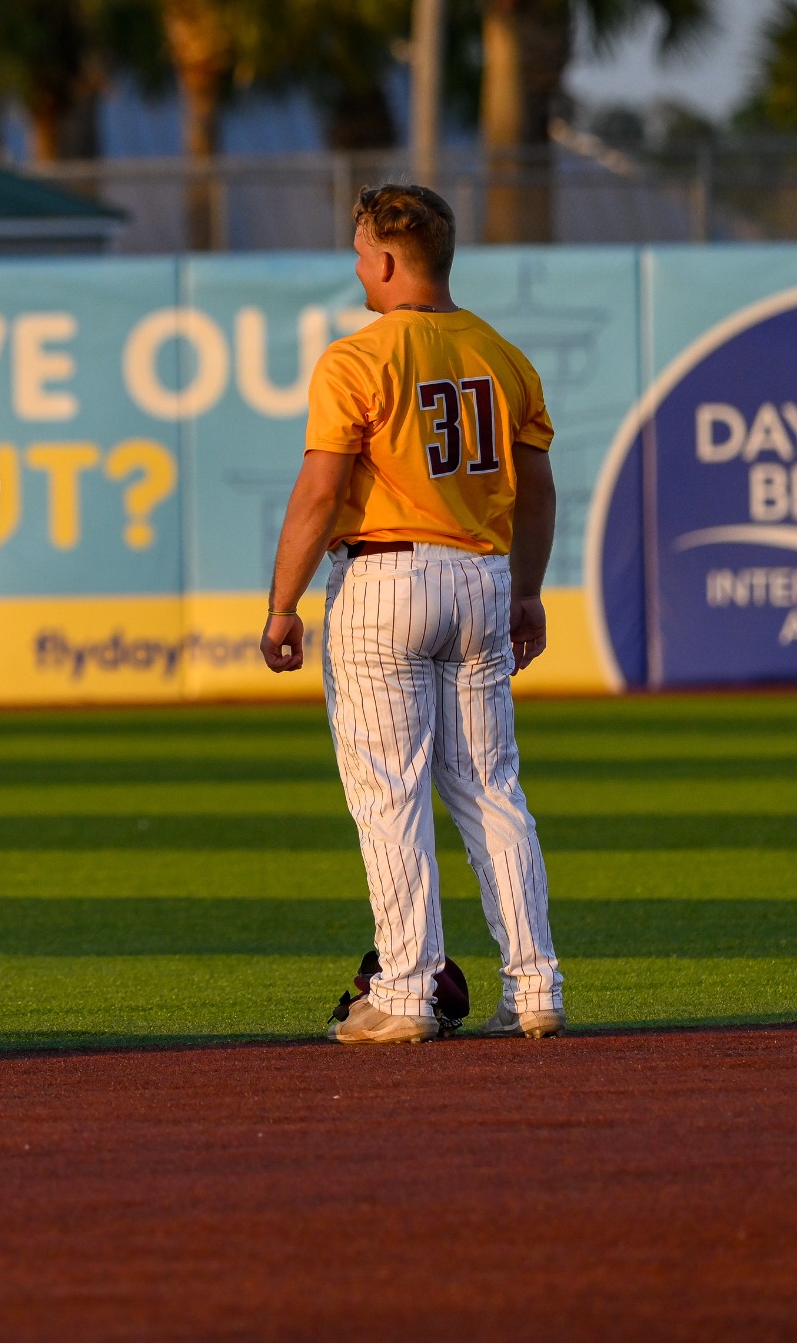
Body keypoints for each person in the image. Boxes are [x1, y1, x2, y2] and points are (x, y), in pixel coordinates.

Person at [260, 184, 564, 1044]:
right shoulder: (503, 356)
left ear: (389, 261)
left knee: (389, 797)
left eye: (361, 252)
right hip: (480, 576)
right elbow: (536, 492)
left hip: (386, 580)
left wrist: (283, 604)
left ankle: (406, 991)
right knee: (492, 792)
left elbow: (321, 491)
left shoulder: (358, 358)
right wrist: (529, 589)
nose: (357, 266)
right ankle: (535, 984)